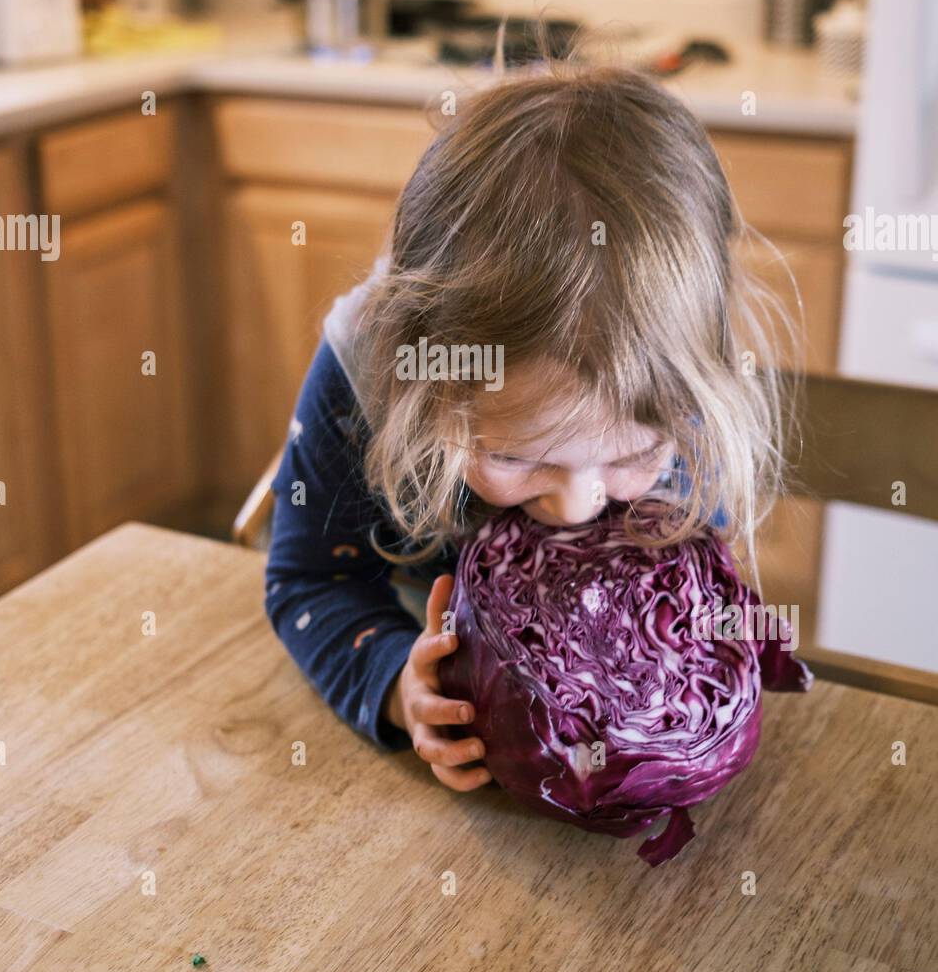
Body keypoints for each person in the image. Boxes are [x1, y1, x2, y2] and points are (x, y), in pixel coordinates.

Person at [264, 56, 799, 793]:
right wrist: (397, 684)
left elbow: (687, 611)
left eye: (634, 455)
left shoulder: (676, 393)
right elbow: (309, 580)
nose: (577, 504)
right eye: (516, 456)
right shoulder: (365, 373)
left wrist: (669, 699)